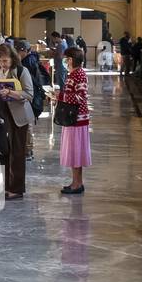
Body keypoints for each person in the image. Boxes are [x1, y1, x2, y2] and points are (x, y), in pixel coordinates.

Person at [0, 42, 35, 198]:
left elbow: (29, 94)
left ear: (12, 58)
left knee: (17, 152)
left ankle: (16, 189)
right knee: (3, 150)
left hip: (18, 115)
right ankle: (6, 184)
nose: (2, 64)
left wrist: (11, 92)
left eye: (5, 61)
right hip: (2, 113)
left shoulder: (22, 71)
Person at [54, 45, 91, 194]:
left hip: (77, 118)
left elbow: (80, 97)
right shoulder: (73, 74)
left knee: (76, 152)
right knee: (74, 152)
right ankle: (76, 182)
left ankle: (77, 184)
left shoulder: (79, 74)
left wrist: (60, 96)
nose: (65, 61)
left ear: (71, 60)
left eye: (66, 59)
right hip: (72, 117)